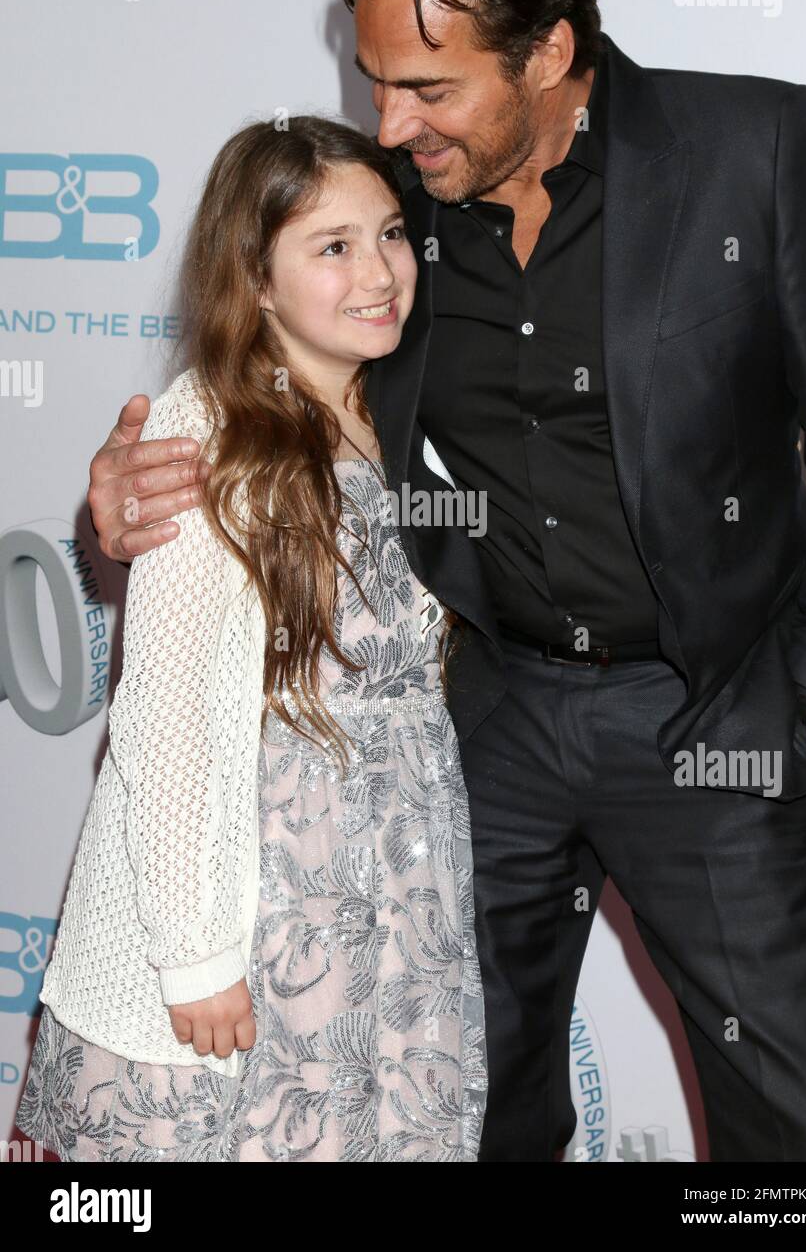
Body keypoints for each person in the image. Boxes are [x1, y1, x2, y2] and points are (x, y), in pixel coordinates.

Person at [82, 0, 806, 1162]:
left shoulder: (748, 150)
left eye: (429, 88)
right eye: (374, 80)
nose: (388, 125)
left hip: (712, 713)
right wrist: (135, 492)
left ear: (552, 51)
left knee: (793, 1128)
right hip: (476, 716)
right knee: (449, 1113)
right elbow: (266, 383)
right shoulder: (394, 209)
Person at [15, 115, 488, 1162]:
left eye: (391, 235)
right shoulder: (204, 430)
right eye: (332, 246)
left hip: (401, 878)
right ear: (257, 281)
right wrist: (193, 959)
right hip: (270, 886)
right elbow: (166, 714)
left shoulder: (400, 402)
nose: (378, 273)